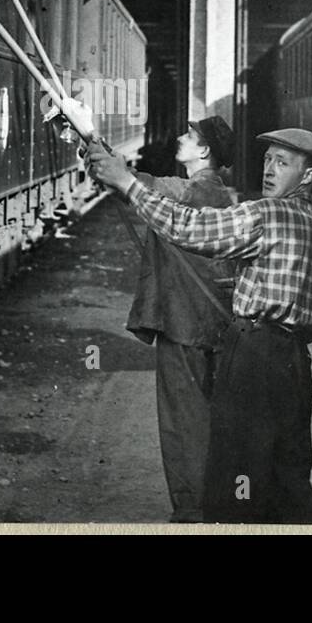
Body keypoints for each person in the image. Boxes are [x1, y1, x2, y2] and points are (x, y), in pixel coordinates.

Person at [87, 128, 312, 524]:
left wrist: (126, 182)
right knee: (287, 474)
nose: (269, 170)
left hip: (252, 356)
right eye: (267, 159)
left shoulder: (267, 214)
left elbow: (186, 228)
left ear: (307, 177)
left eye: (283, 163)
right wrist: (288, 334)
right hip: (294, 362)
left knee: (234, 472)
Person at [126, 116, 237, 523]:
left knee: (182, 422)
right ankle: (215, 502)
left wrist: (93, 147)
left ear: (204, 151)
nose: (179, 139)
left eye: (189, 137)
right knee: (209, 418)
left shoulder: (188, 191)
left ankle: (192, 511)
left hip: (183, 323)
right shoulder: (224, 194)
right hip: (217, 325)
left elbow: (134, 185)